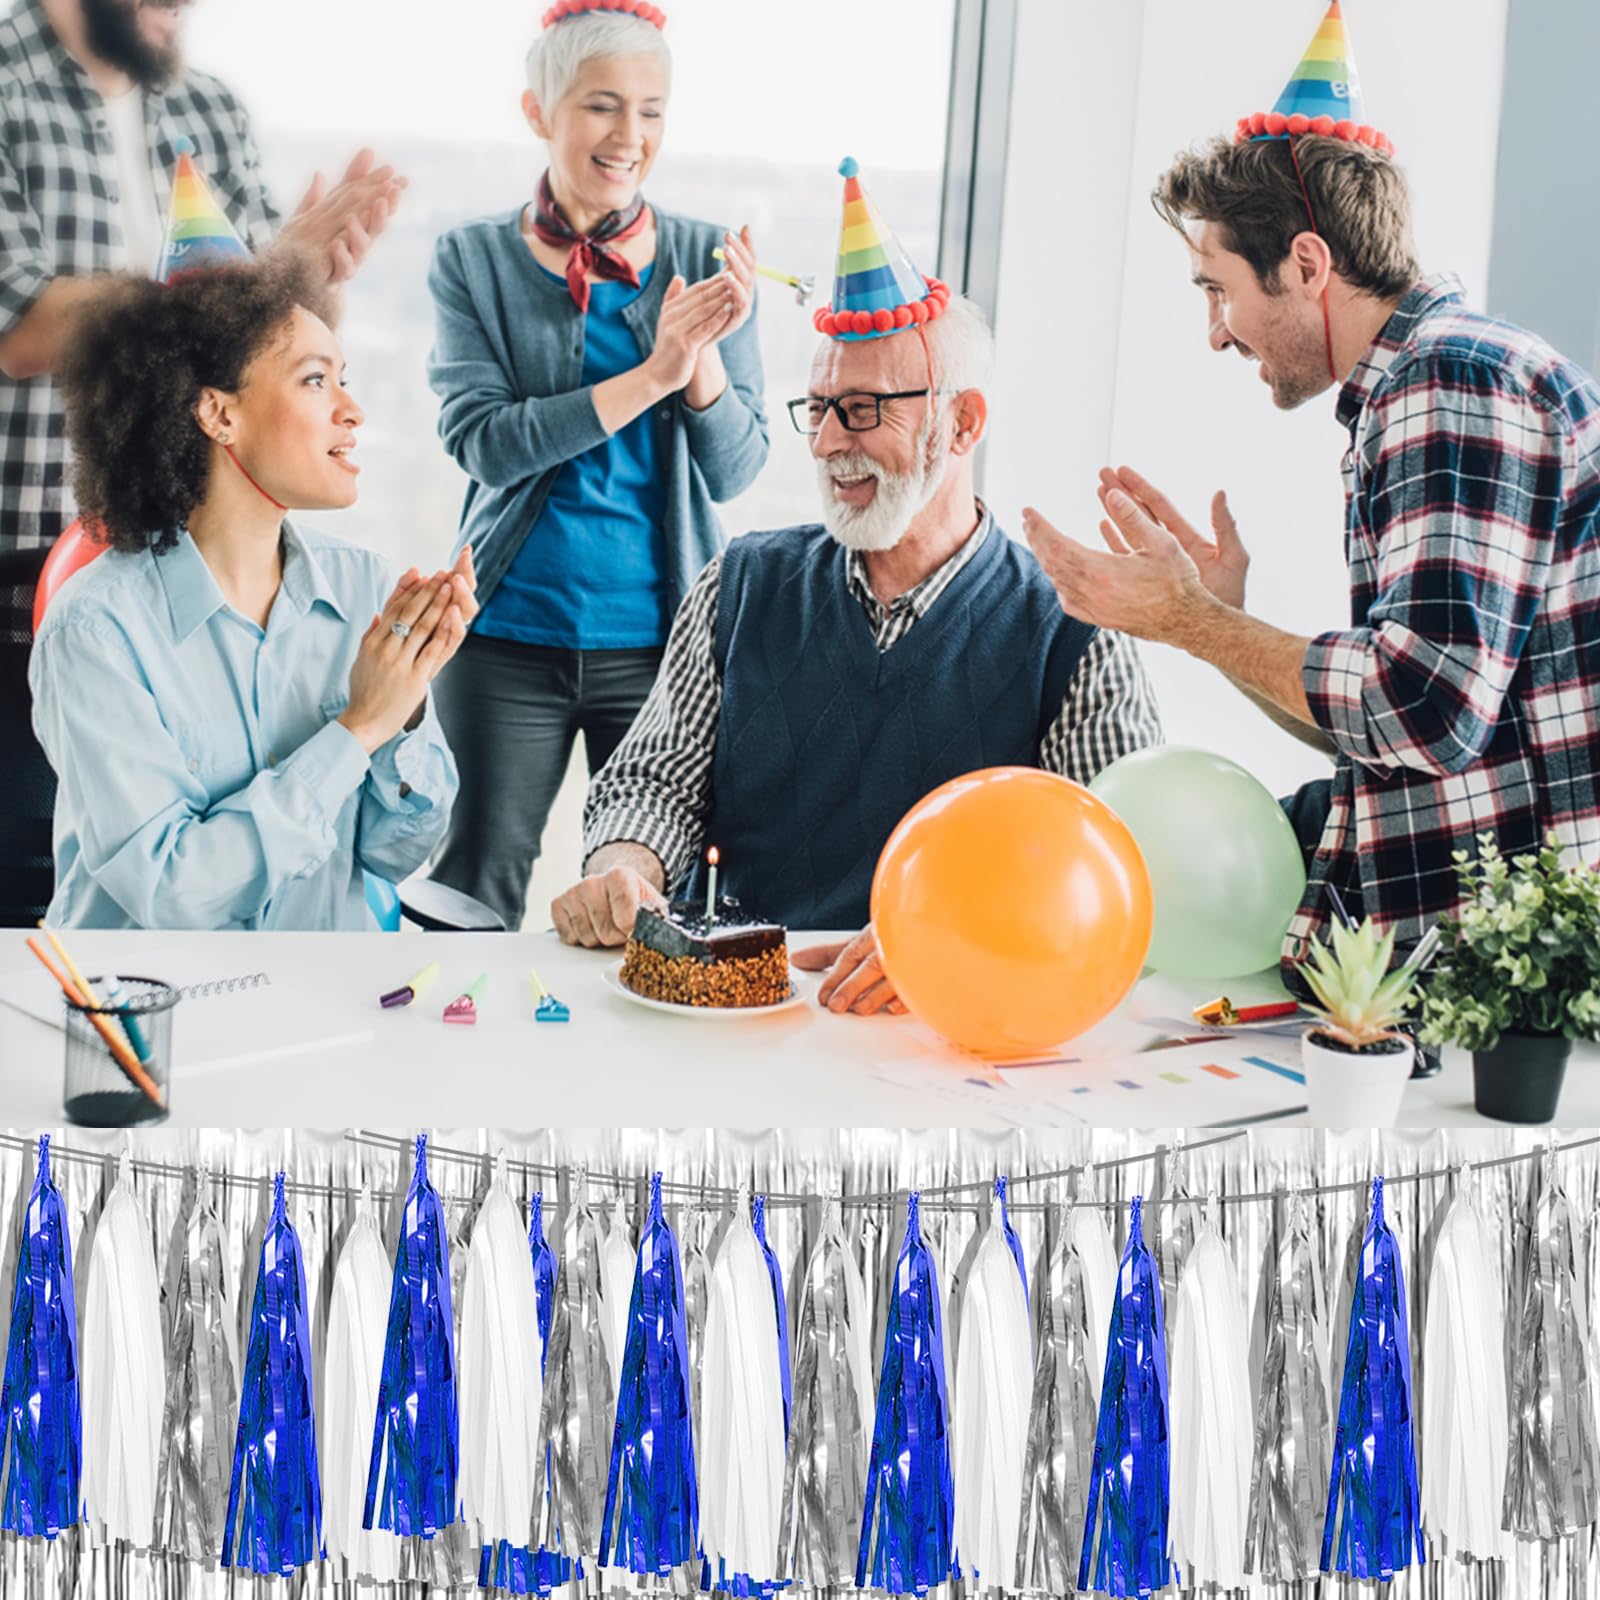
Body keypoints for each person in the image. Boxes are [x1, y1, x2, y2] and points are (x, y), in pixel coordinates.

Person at [1020, 4, 1600, 971]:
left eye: (1217, 288)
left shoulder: (1449, 378)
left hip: (1520, 980)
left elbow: (1426, 708)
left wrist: (1191, 623)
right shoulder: (1418, 389)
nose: (1214, 331)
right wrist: (1214, 623)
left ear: (1306, 263)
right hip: (1478, 961)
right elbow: (1388, 741)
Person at [552, 157, 1161, 1015]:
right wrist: (625, 866)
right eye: (821, 407)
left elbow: (1107, 865)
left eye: (866, 409)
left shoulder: (1076, 626)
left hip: (952, 1026)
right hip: (732, 1017)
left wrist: (949, 932)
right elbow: (653, 780)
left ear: (964, 421)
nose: (831, 441)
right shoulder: (743, 582)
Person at [424, 0, 767, 932]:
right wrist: (651, 373)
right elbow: (484, 441)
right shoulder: (473, 260)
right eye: (603, 106)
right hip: (504, 640)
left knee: (654, 903)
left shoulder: (704, 256)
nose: (631, 136)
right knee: (470, 892)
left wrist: (694, 371)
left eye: (652, 110)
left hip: (663, 650)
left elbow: (736, 469)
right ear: (539, 110)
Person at [30, 248, 466, 928]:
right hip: (151, 1017)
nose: (352, 411)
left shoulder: (367, 590)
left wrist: (403, 708)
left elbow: (393, 854)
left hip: (321, 1008)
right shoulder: (93, 630)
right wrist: (358, 730)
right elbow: (176, 892)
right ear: (217, 413)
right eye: (316, 381)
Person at [0, 0, 404, 633]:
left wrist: (307, 281)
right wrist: (263, 269)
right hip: (24, 576)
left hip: (200, 578)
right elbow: (18, 328)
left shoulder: (211, 108)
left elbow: (252, 340)